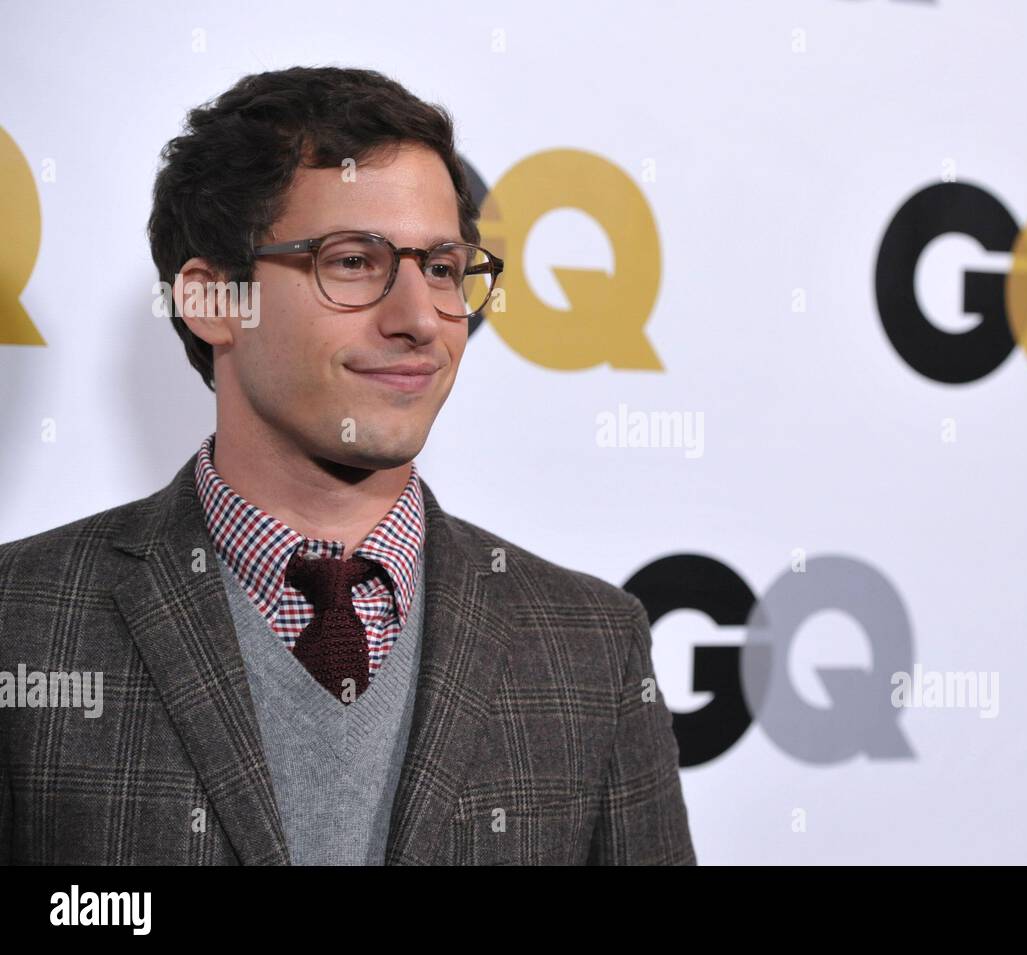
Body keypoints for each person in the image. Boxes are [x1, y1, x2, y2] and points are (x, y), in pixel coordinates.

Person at [0, 66, 695, 865]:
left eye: (441, 268)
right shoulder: (21, 622)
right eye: (354, 262)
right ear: (214, 300)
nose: (419, 319)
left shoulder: (589, 645)